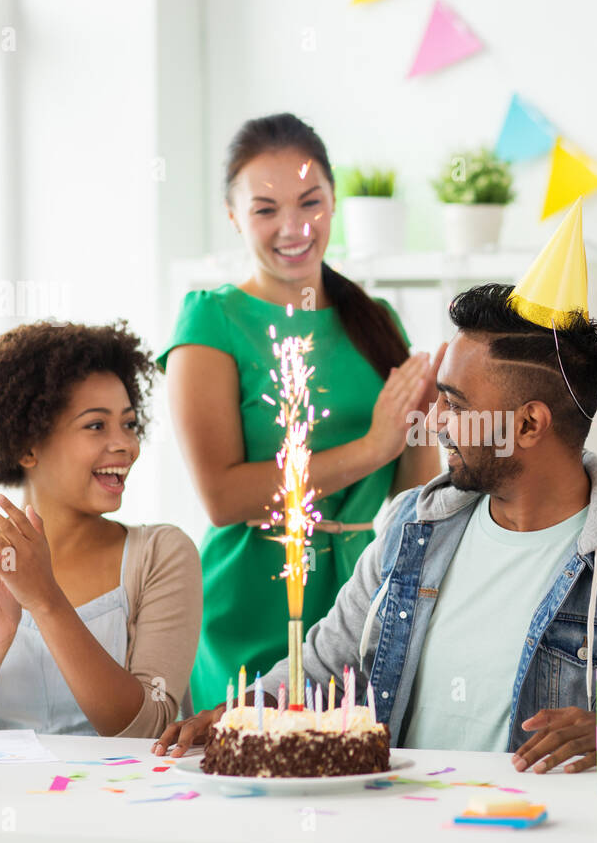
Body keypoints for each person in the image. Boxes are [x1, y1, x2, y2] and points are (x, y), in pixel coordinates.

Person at [156, 204, 597, 771]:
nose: (434, 421)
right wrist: (242, 712)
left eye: (455, 405)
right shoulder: (415, 527)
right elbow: (319, 666)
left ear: (529, 423)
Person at [159, 112, 441, 711]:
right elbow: (223, 497)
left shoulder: (376, 321)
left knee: (361, 777)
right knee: (254, 770)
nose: (293, 226)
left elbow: (414, 495)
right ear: (234, 217)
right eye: (265, 209)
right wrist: (372, 447)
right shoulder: (211, 321)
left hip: (361, 597)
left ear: (334, 203)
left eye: (310, 202)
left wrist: (425, 424)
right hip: (252, 600)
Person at [0, 321, 202, 737]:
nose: (127, 445)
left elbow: (147, 731)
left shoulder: (162, 555)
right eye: (96, 425)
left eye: (128, 424)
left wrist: (46, 601)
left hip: (117, 800)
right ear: (27, 446)